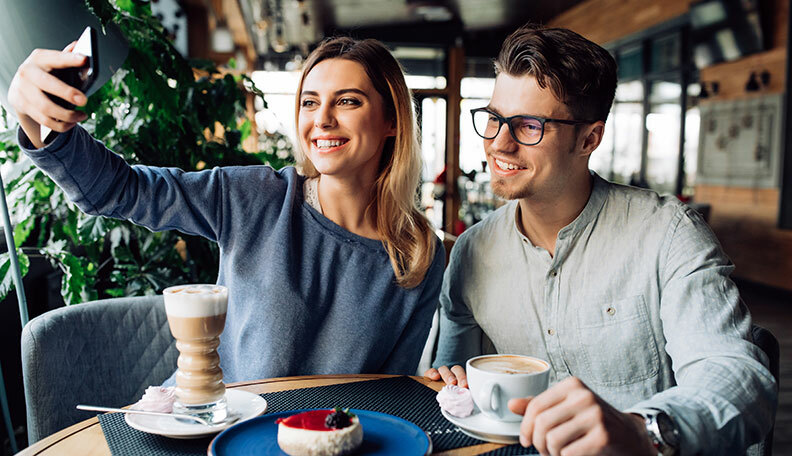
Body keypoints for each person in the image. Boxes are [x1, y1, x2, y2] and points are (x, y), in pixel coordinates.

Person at [424, 24, 776, 455]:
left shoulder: (668, 234)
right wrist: (452, 380)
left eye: (529, 125)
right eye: (494, 119)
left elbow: (738, 377)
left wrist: (643, 432)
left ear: (589, 138)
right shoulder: (471, 251)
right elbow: (451, 383)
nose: (499, 143)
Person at [8, 36, 445, 382]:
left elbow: (394, 390)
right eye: (310, 102)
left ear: (392, 121)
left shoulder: (419, 252)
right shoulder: (255, 196)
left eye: (348, 101)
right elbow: (121, 190)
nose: (322, 119)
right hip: (208, 430)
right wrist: (35, 119)